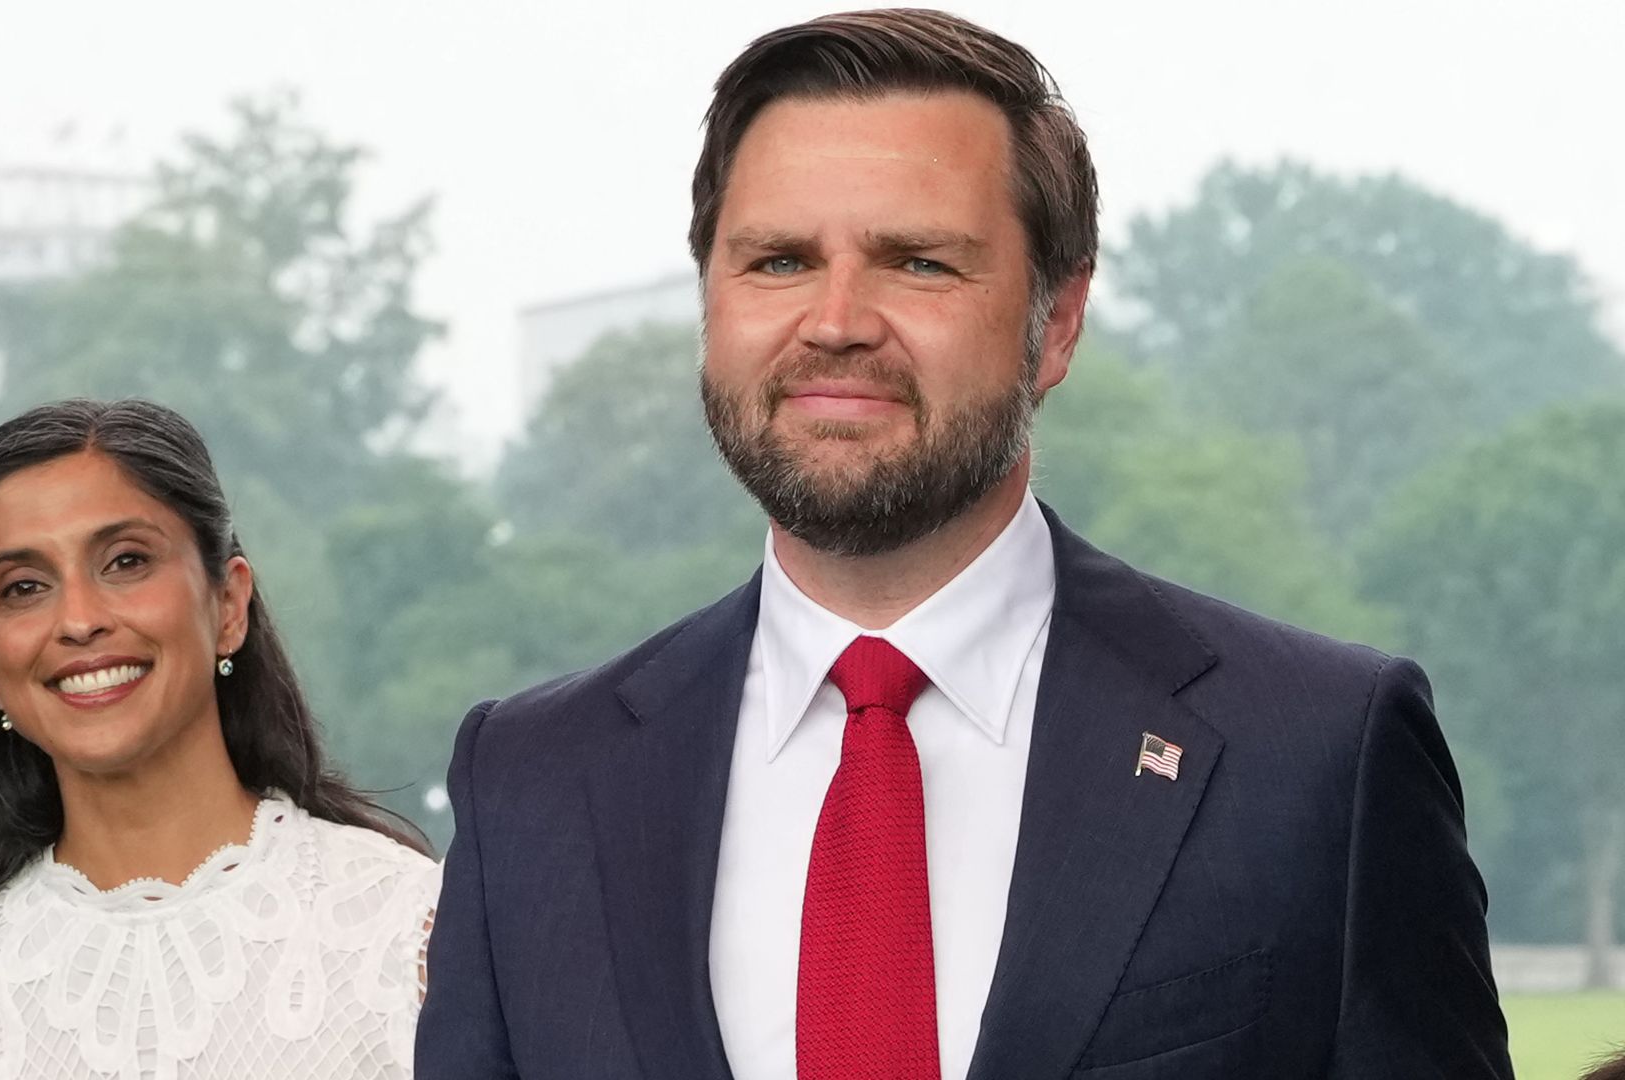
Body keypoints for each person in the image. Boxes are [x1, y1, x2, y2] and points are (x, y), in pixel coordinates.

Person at [415, 9, 1511, 1079]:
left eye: (920, 263)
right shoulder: (532, 784)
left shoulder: (1320, 754)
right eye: (780, 261)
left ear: (1058, 322)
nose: (837, 321)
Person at [0, 399, 440, 1080]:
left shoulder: (410, 936)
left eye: (125, 561)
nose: (79, 620)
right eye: (24, 587)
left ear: (228, 603)